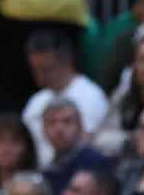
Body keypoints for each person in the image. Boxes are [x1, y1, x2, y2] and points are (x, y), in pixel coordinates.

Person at [21, 31, 108, 168]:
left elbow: (86, 144)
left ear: (67, 61)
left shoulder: (90, 96)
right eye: (35, 70)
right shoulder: (36, 101)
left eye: (46, 69)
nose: (39, 76)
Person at [37, 99, 116, 195]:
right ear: (43, 131)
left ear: (80, 127)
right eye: (52, 123)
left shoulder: (96, 163)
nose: (59, 129)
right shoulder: (45, 170)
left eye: (67, 121)